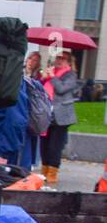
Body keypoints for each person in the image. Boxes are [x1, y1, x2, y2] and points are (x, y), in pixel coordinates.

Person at [40, 51, 79, 187]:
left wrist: (52, 78)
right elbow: (41, 87)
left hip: (61, 116)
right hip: (46, 113)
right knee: (44, 144)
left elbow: (62, 89)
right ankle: (44, 170)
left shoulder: (71, 75)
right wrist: (44, 77)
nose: (59, 61)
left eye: (62, 59)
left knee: (54, 146)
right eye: (58, 58)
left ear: (68, 62)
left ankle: (52, 173)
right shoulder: (51, 72)